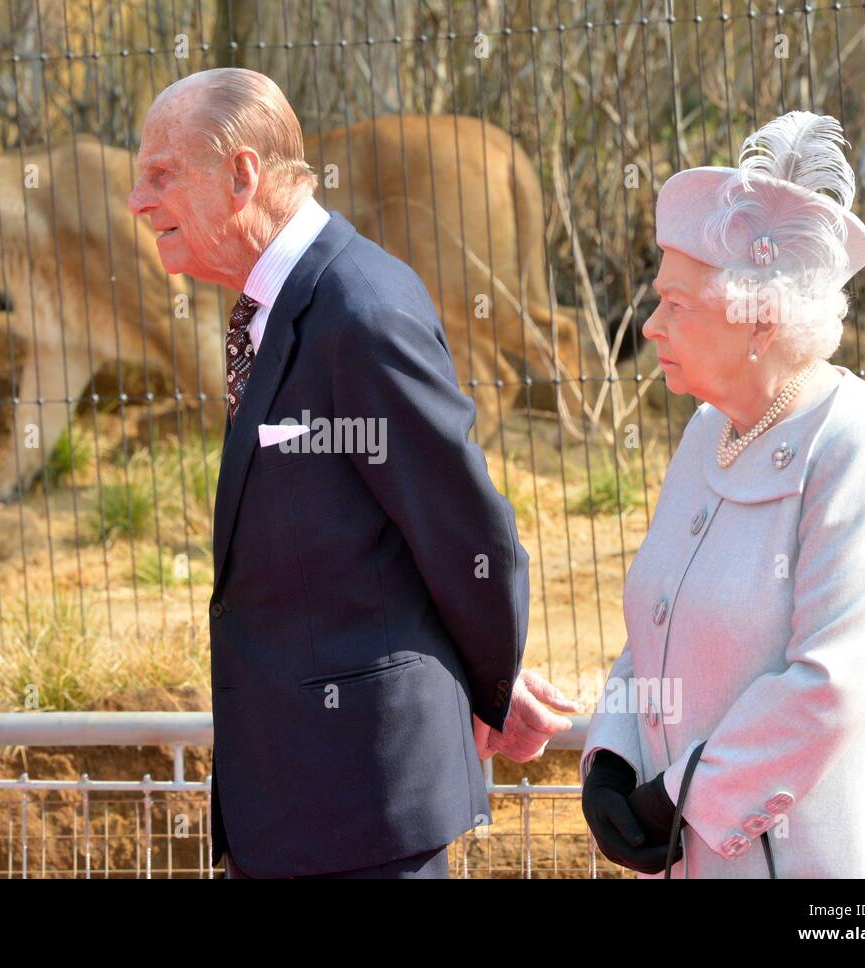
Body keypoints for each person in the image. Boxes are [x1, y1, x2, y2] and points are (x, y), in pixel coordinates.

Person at [127, 67, 578, 879]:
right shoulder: (275, 306)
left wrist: (489, 684)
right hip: (293, 807)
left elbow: (468, 530)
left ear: (240, 176)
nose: (137, 203)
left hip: (360, 815)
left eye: (161, 175)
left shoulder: (359, 308)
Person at [580, 110, 865, 878]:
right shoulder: (708, 431)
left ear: (759, 317)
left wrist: (679, 797)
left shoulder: (861, 455)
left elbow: (829, 687)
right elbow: (659, 612)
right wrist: (614, 754)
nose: (649, 327)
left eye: (676, 305)